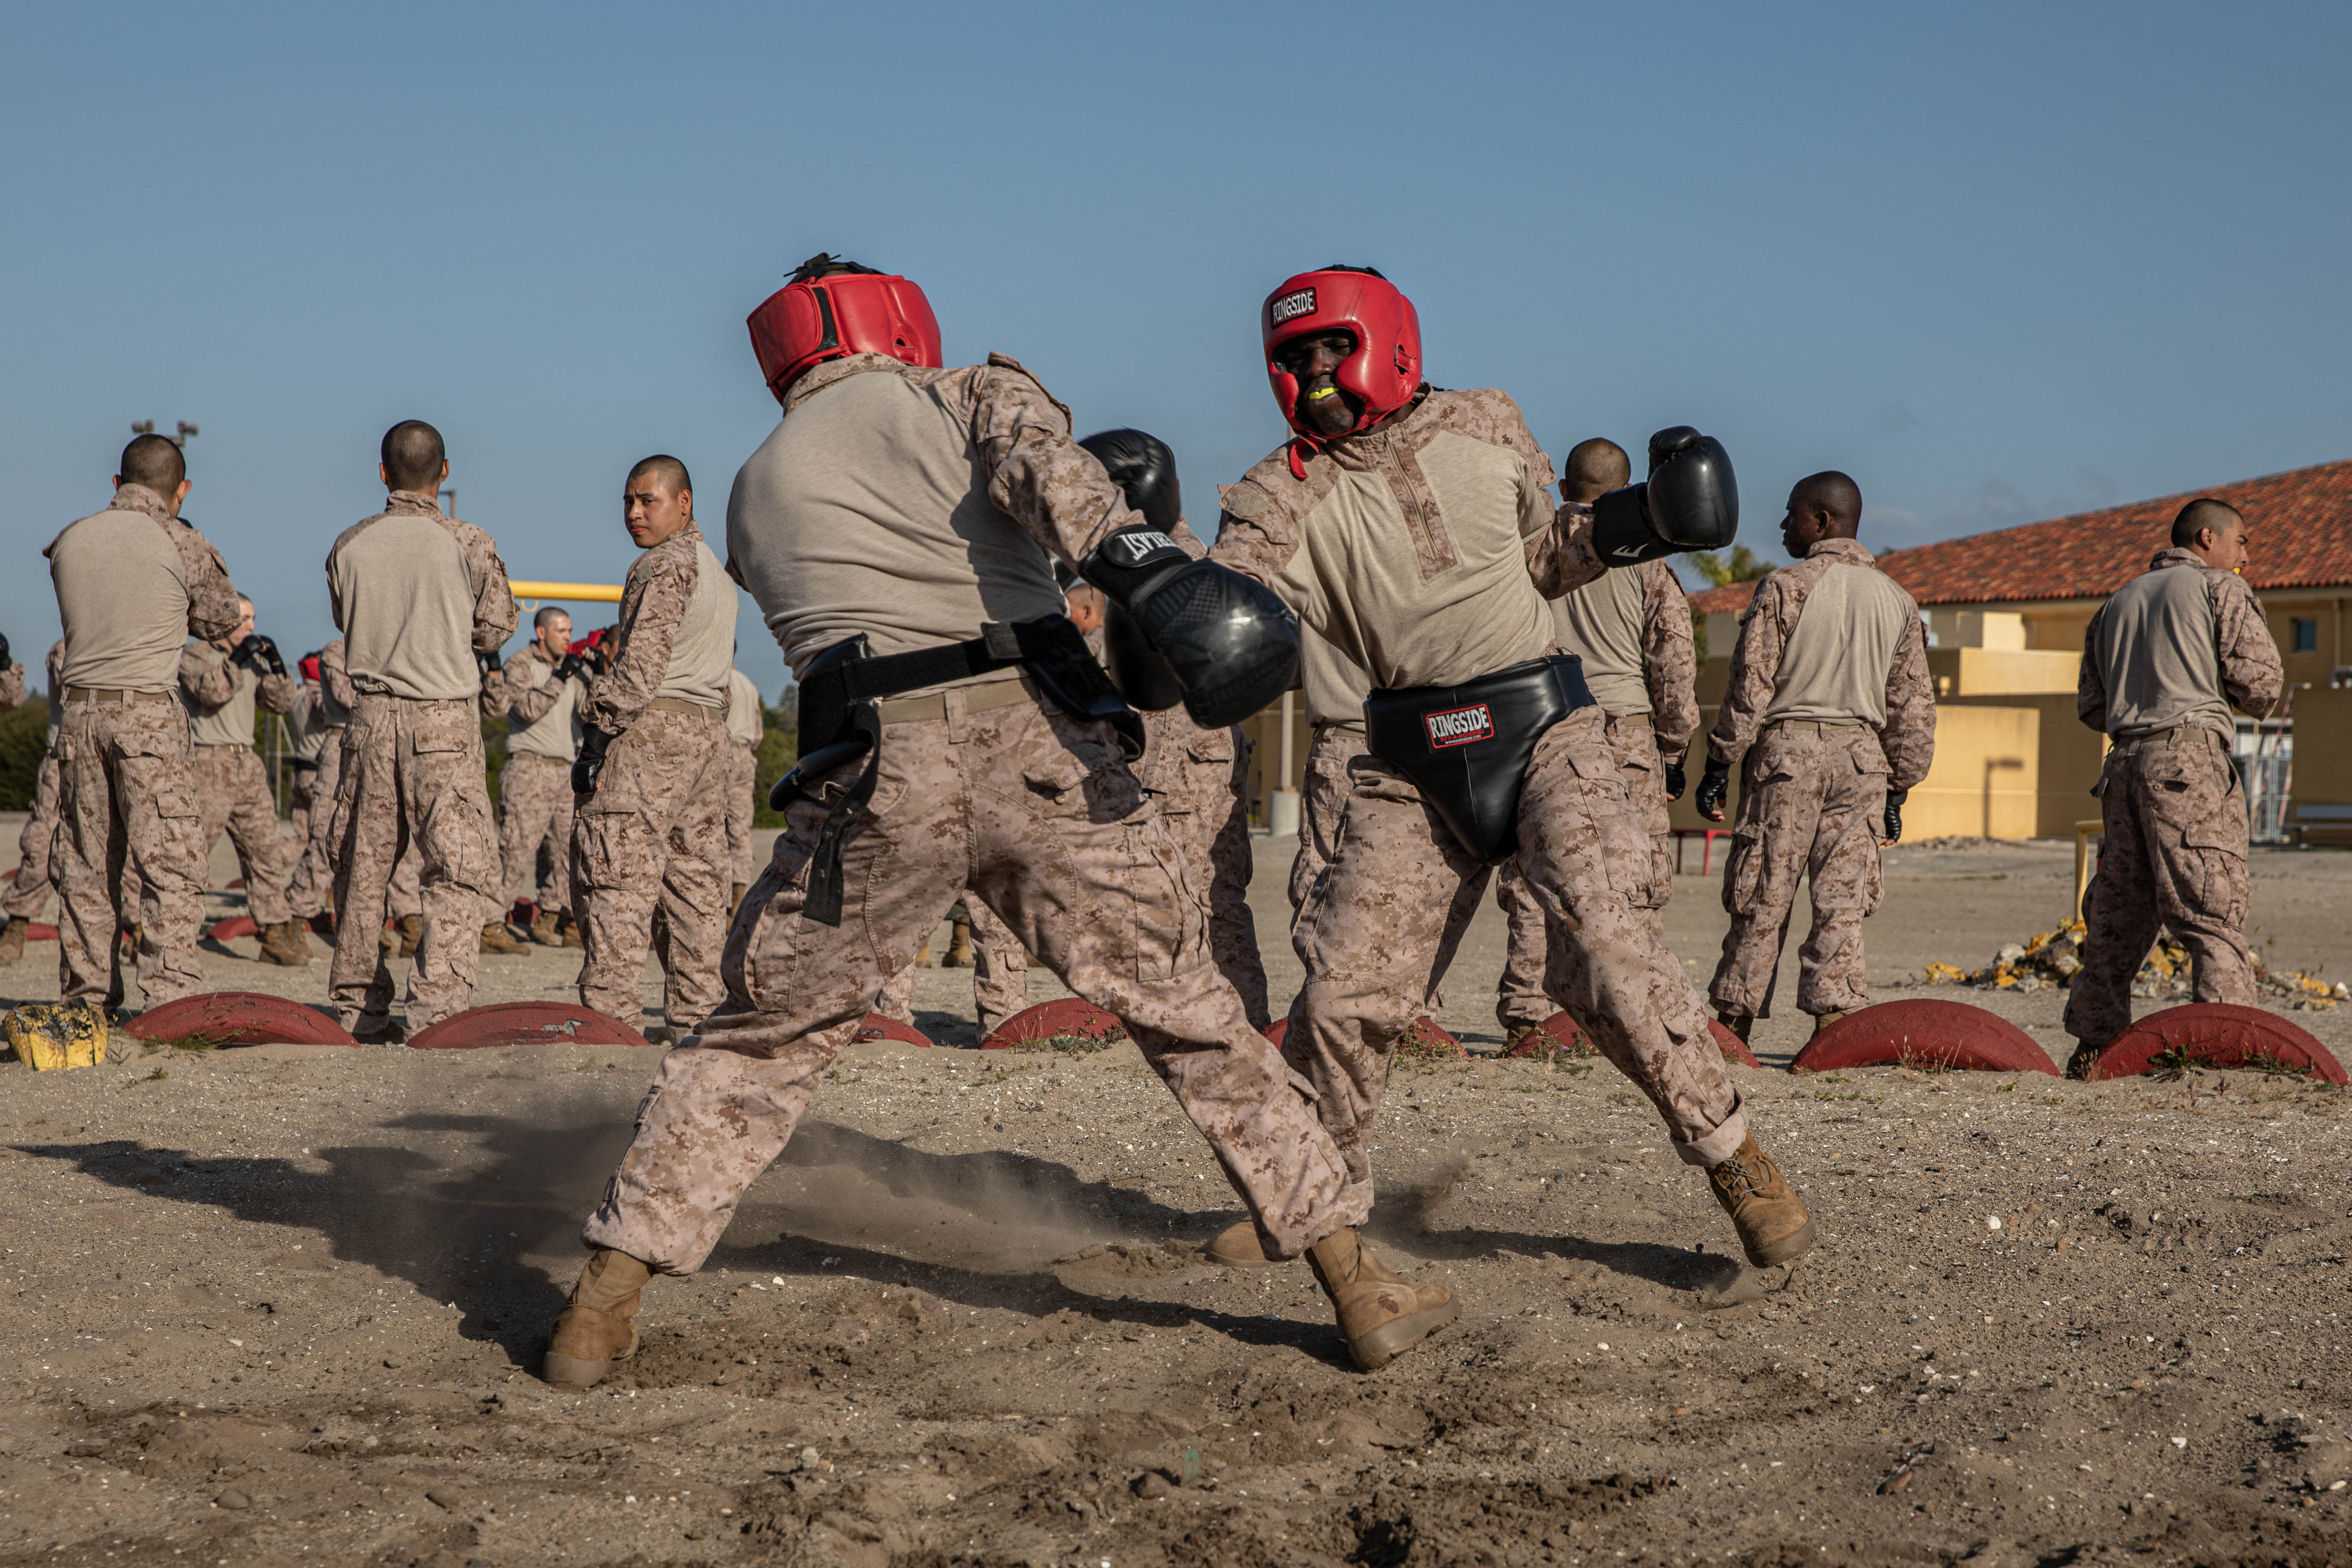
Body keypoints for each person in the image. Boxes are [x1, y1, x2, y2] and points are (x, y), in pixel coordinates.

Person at [548, 254, 1437, 1390]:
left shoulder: (750, 487)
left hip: (867, 773)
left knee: (756, 1042)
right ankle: (1358, 1288)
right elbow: (1048, 477)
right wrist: (1155, 571)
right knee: (1192, 1018)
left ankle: (598, 1308)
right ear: (894, 319)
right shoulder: (963, 392)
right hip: (1037, 748)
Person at [1206, 265, 1810, 1276]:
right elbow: (1230, 595)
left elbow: (1539, 557)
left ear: (1388, 340)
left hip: (1543, 727)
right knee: (1346, 994)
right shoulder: (1277, 493)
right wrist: (1177, 613)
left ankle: (1732, 1152)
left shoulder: (1486, 422)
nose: (1313, 374)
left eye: (1330, 349)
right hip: (1407, 758)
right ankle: (1312, 1203)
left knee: (1606, 948)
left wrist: (1634, 522)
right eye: (1294, 358)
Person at [1697, 471, 1935, 1039]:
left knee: (1763, 888)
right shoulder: (1898, 601)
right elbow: (1912, 708)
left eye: (1792, 514)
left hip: (1789, 755)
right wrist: (1899, 787)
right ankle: (1833, 1027)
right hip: (1862, 761)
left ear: (1822, 521)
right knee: (1843, 898)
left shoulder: (1784, 588)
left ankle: (1734, 1024)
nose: (1784, 525)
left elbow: (1749, 687)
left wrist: (1718, 764)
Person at [2064, 497, 2282, 1077]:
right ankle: (2226, 1047)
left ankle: (2093, 1048)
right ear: (2208, 538)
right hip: (2187, 760)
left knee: (2117, 914)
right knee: (2210, 909)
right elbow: (2261, 686)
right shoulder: (2219, 588)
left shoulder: (2116, 602)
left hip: (2122, 763)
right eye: (2241, 541)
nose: (2245, 555)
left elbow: (2091, 705)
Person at [1493, 438, 1698, 1046]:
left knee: (1536, 873)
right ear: (1630, 489)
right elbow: (1672, 661)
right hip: (1624, 730)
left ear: (1563, 490)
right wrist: (1673, 745)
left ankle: (1528, 1015)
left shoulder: (1528, 548)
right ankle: (1636, 1015)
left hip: (1541, 721)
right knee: (1635, 879)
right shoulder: (1647, 559)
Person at [324, 420, 516, 1041]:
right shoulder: (469, 541)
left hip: (371, 716)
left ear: (383, 473)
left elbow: (345, 618)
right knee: (455, 868)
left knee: (362, 869)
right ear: (445, 471)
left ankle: (359, 1007)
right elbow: (494, 629)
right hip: (442, 717)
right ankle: (439, 1010)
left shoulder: (349, 544)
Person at [1075, 429, 1272, 1028]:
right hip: (1201, 752)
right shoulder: (1195, 561)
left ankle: (1207, 1018)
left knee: (1180, 895)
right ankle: (1239, 1015)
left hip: (1176, 759)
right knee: (1213, 895)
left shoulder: (1159, 565)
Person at [44, 432, 242, 1009]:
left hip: (79, 713)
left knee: (86, 866)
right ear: (182, 490)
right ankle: (170, 998)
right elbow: (221, 619)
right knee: (170, 861)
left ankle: (87, 999)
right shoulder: (181, 541)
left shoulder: (72, 538)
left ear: (117, 483)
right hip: (147, 714)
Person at [569, 455, 736, 1042]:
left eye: (648, 500)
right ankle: (697, 1026)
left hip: (652, 735)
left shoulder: (663, 565)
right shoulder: (716, 572)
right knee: (695, 891)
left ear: (683, 503)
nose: (634, 513)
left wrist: (596, 734)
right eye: (628, 502)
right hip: (706, 735)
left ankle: (610, 1027)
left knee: (616, 881)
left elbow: (638, 671)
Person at [178, 595, 310, 966]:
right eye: (244, 619)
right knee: (191, 852)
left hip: (246, 762)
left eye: (253, 618)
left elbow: (282, 703)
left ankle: (275, 931)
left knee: (265, 849)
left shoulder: (252, 661)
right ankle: (158, 930)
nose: (252, 626)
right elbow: (210, 692)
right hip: (209, 761)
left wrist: (277, 665)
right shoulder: (197, 654)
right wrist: (236, 660)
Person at [489, 606, 589, 946]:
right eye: (562, 631)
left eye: (570, 631)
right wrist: (559, 680)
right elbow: (526, 709)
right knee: (515, 851)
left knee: (565, 852)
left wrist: (595, 673)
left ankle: (551, 915)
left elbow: (590, 712)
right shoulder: (520, 665)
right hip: (529, 768)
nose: (568, 638)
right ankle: (490, 922)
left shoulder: (573, 669)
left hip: (565, 770)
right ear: (542, 632)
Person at [0, 641, 67, 964]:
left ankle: (136, 926)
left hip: (123, 754)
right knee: (42, 845)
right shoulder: (69, 648)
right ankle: (18, 921)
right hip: (65, 757)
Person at [285, 640, 356, 933]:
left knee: (311, 836)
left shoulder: (299, 694)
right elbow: (338, 702)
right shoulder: (314, 695)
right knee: (319, 837)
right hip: (320, 768)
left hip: (305, 768)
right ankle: (299, 905)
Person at [721, 658, 764, 913]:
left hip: (723, 751)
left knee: (711, 827)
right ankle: (737, 904)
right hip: (746, 756)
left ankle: (721, 901)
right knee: (740, 830)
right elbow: (758, 735)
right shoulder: (749, 685)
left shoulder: (719, 678)